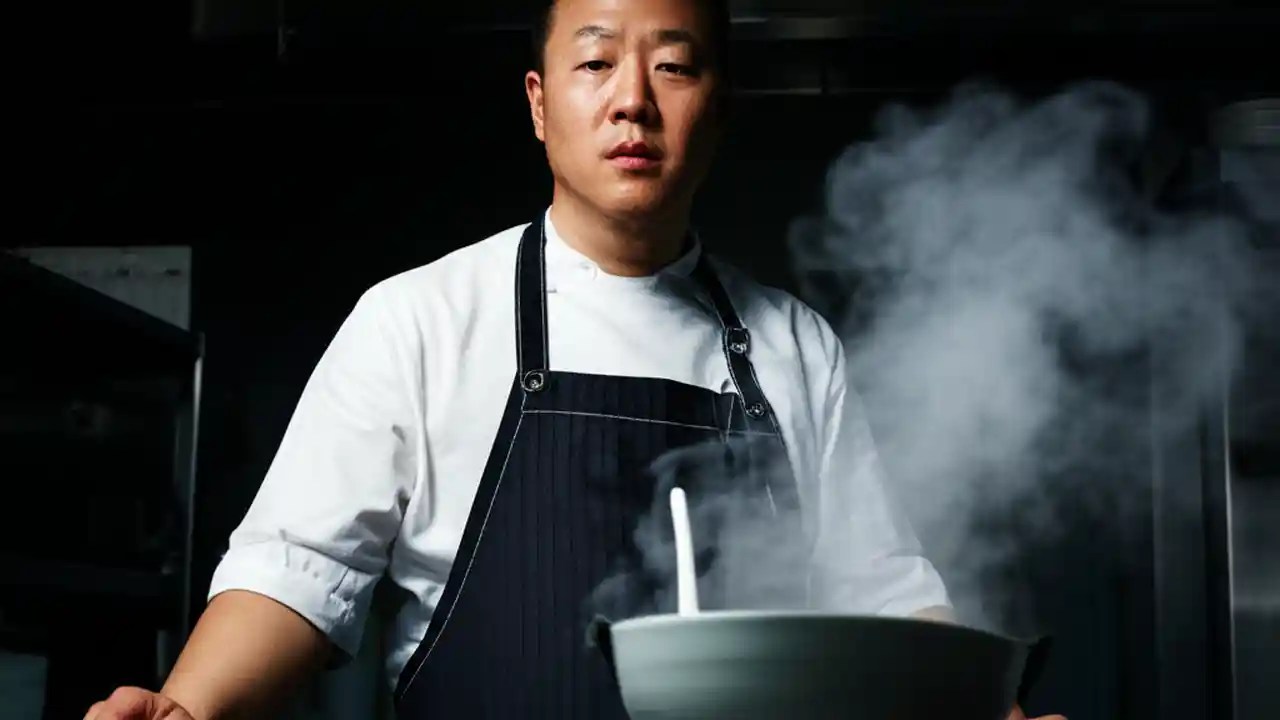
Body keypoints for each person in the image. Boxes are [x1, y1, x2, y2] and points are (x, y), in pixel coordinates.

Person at [86, 0, 1064, 718]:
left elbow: (877, 590)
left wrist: (987, 711)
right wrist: (188, 709)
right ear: (539, 102)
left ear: (717, 106)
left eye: (674, 67)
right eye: (594, 65)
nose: (632, 102)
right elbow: (299, 569)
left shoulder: (791, 346)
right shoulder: (421, 320)